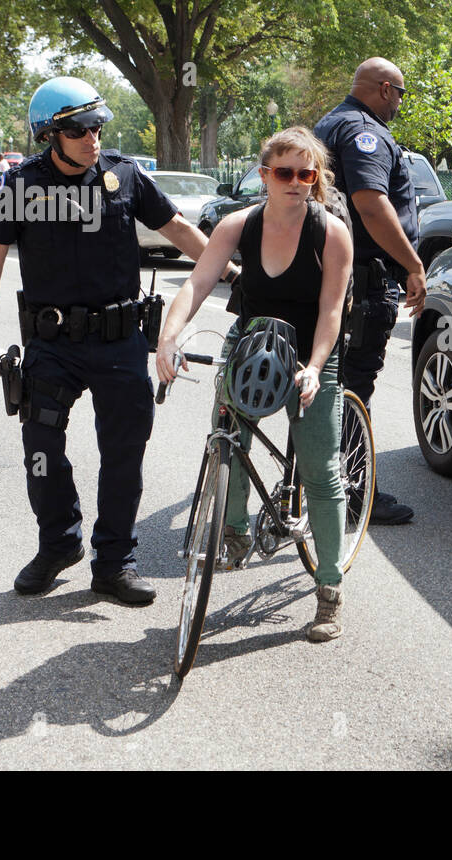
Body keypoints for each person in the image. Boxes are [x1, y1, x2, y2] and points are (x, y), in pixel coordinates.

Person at [0, 75, 237, 604]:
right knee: (41, 451)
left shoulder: (125, 175)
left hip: (119, 341)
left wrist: (229, 271)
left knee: (123, 455)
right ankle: (58, 543)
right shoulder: (21, 188)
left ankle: (114, 562)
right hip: (51, 346)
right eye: (80, 130)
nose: (93, 139)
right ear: (51, 134)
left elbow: (178, 228)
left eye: (97, 127)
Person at [156, 126, 353, 641]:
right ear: (264, 175)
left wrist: (313, 367)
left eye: (305, 173)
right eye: (283, 172)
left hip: (312, 350)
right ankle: (235, 529)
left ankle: (329, 589)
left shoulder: (331, 232)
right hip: (251, 340)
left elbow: (332, 309)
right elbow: (198, 282)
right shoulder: (237, 225)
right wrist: (168, 338)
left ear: (315, 178)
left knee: (320, 469)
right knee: (227, 437)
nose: (295, 182)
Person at [313, 57, 425, 525]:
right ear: (383, 89)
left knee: (328, 384)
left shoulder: (326, 125)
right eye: (400, 94)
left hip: (327, 278)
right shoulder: (366, 133)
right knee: (353, 390)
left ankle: (316, 481)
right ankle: (355, 494)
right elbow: (371, 205)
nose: (400, 103)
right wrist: (413, 264)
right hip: (362, 281)